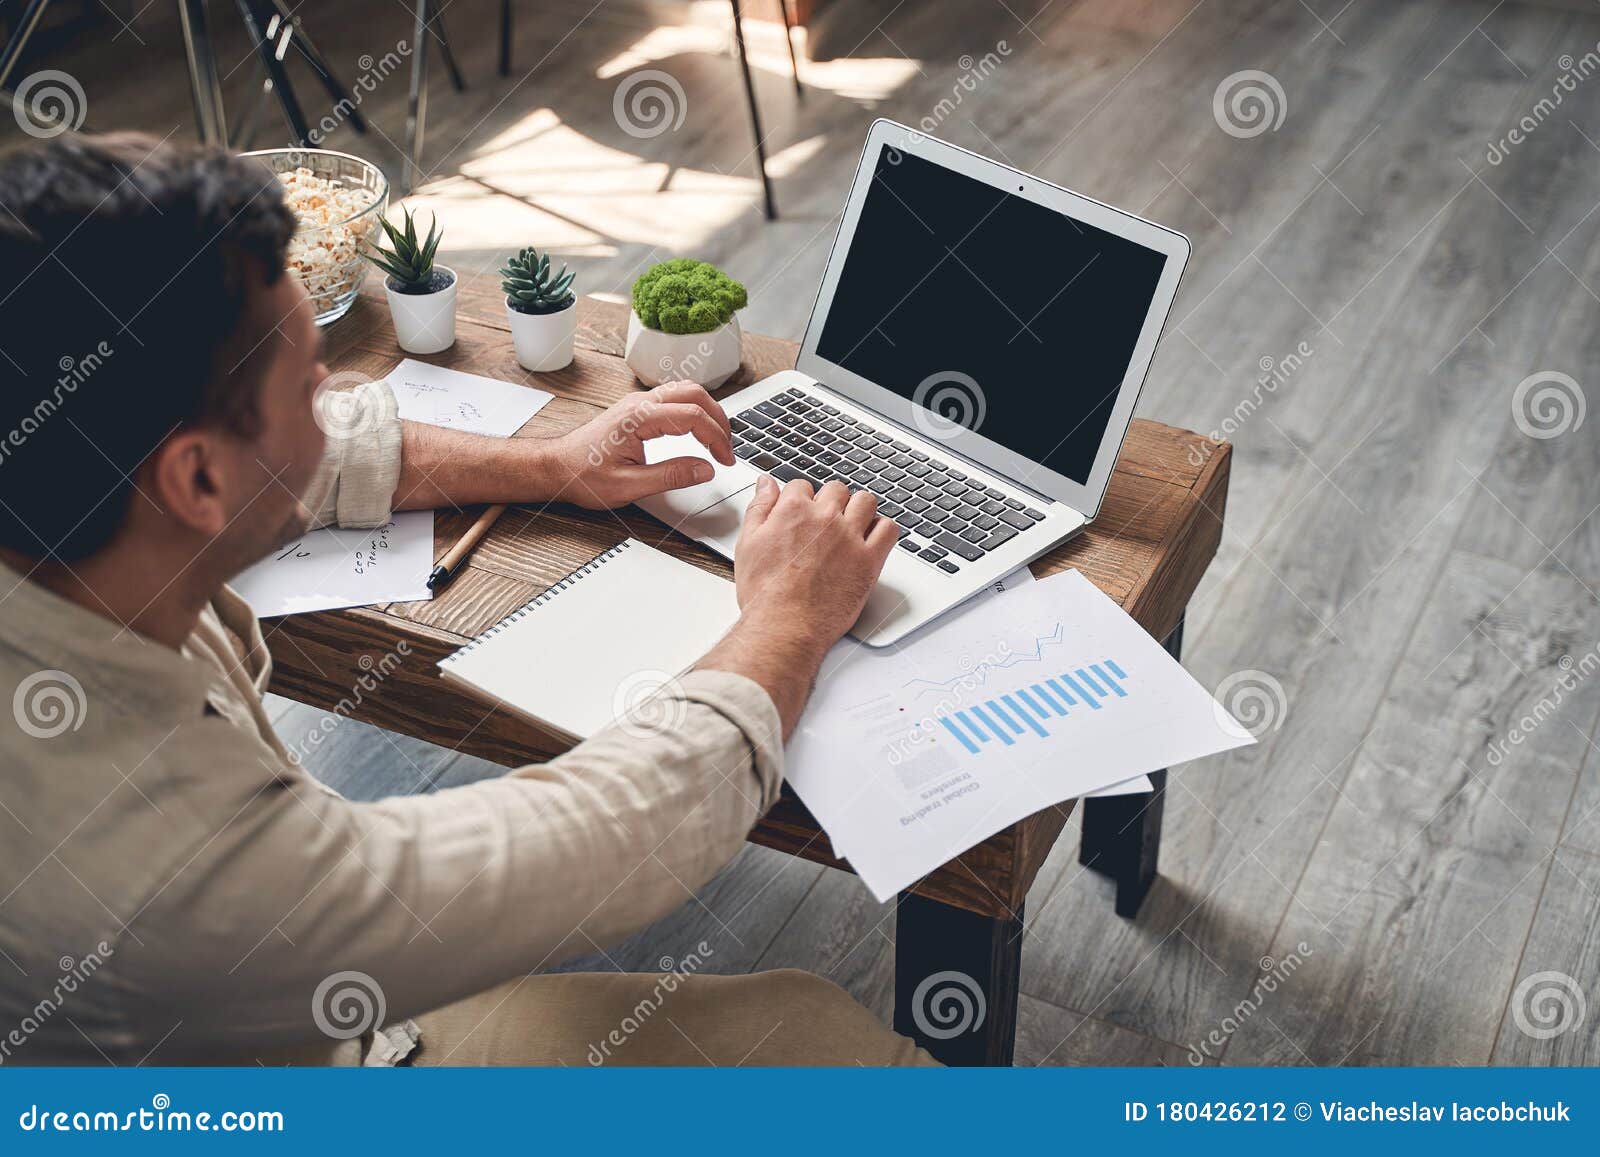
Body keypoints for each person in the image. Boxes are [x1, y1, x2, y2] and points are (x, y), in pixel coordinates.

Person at [0, 133, 932, 1066]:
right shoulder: (150, 864)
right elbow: (610, 839)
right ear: (196, 480)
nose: (332, 392)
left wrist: (553, 464)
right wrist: (787, 618)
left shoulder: (62, 485)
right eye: (304, 377)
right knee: (833, 1049)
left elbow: (309, 447)